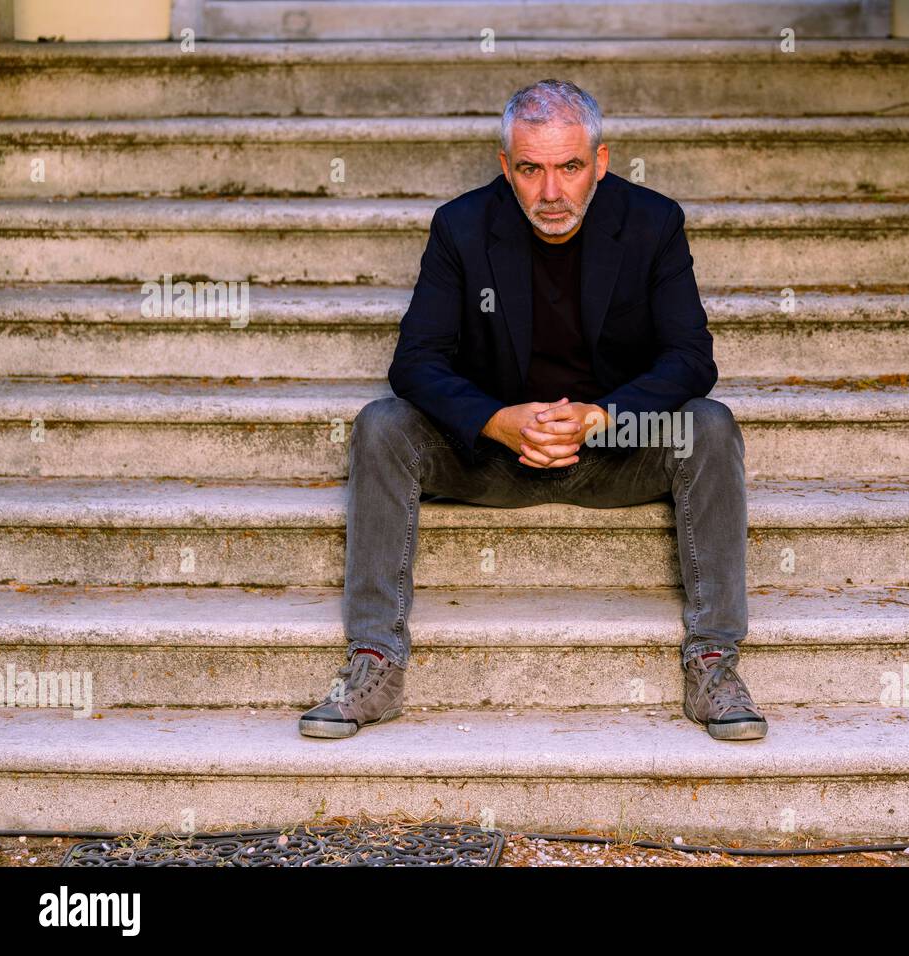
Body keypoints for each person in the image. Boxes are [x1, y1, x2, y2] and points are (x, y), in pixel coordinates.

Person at [298, 79, 766, 742]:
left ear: (600, 163)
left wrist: (602, 416)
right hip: (490, 456)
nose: (552, 193)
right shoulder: (461, 227)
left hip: (617, 448)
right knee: (382, 425)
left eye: (570, 168)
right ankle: (374, 662)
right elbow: (416, 362)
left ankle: (715, 663)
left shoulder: (653, 224)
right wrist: (498, 420)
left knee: (709, 426)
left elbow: (691, 359)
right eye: (531, 169)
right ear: (505, 166)